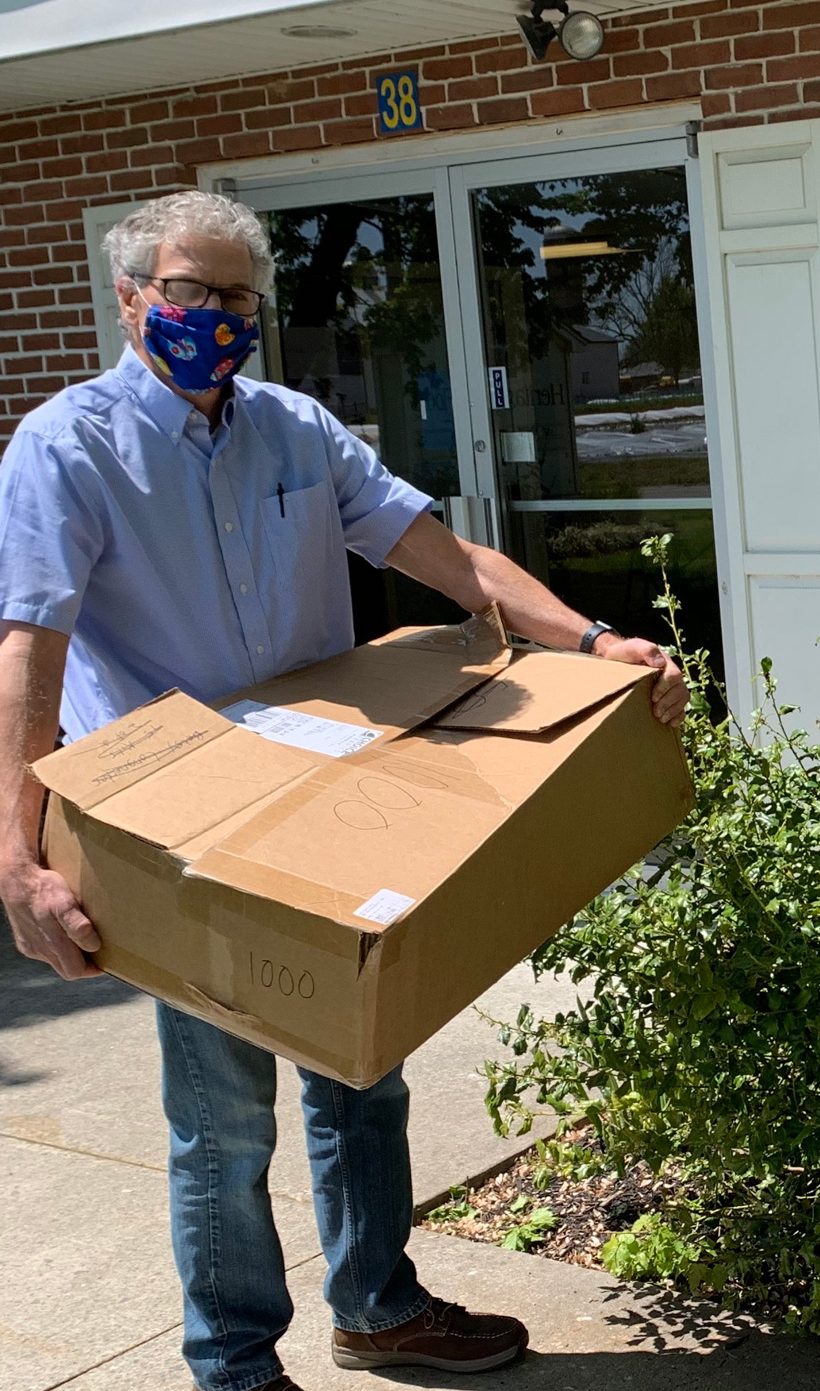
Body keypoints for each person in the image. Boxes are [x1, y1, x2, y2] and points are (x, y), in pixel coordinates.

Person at [0, 191, 690, 1391]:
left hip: (324, 796)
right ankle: (234, 1363)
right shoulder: (68, 447)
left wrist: (591, 643)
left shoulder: (295, 430)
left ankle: (377, 1305)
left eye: (233, 297)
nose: (211, 315)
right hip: (175, 833)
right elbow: (30, 651)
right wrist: (17, 859)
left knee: (364, 1068)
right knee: (222, 1123)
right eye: (186, 290)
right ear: (130, 297)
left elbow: (452, 561)